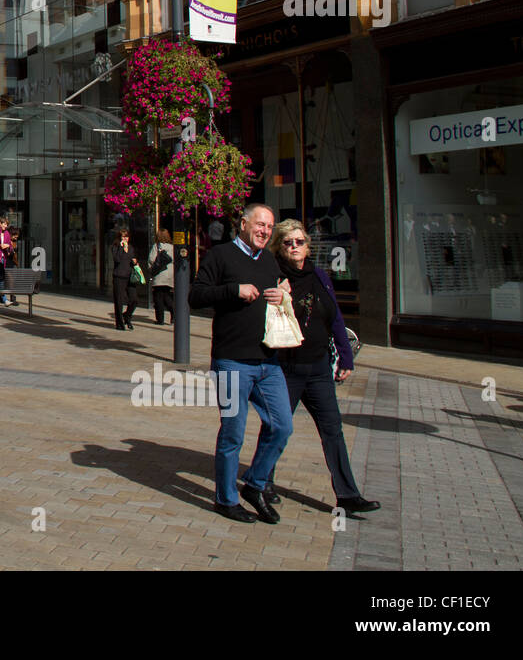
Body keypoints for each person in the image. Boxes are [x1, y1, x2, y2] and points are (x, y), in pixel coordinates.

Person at [265, 219, 379, 516]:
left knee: (333, 430)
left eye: (299, 242)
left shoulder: (319, 275)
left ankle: (347, 494)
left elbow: (335, 317)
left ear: (307, 245)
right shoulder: (271, 274)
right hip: (284, 368)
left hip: (318, 368)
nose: (294, 247)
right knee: (278, 428)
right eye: (288, 242)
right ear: (280, 246)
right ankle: (263, 482)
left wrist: (346, 355)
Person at [190, 202, 293, 524]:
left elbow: (280, 293)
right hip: (232, 361)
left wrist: (283, 293)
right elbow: (197, 296)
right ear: (244, 225)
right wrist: (233, 290)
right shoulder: (220, 255)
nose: (265, 232)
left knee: (282, 426)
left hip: (268, 360)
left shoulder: (270, 259)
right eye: (261, 225)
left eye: (270, 227)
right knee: (233, 434)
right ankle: (226, 500)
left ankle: (255, 484)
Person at [109, 228, 140, 331]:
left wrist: (135, 262)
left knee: (134, 299)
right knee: (119, 300)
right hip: (119, 276)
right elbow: (117, 259)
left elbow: (132, 259)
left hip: (129, 276)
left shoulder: (131, 248)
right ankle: (119, 323)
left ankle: (127, 315)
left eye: (126, 237)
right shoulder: (115, 247)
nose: (125, 239)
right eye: (123, 237)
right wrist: (122, 249)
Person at [149, 229, 175, 325]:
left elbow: (152, 260)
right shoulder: (172, 247)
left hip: (159, 275)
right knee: (167, 295)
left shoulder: (156, 247)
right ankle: (173, 313)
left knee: (158, 297)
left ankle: (160, 319)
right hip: (169, 275)